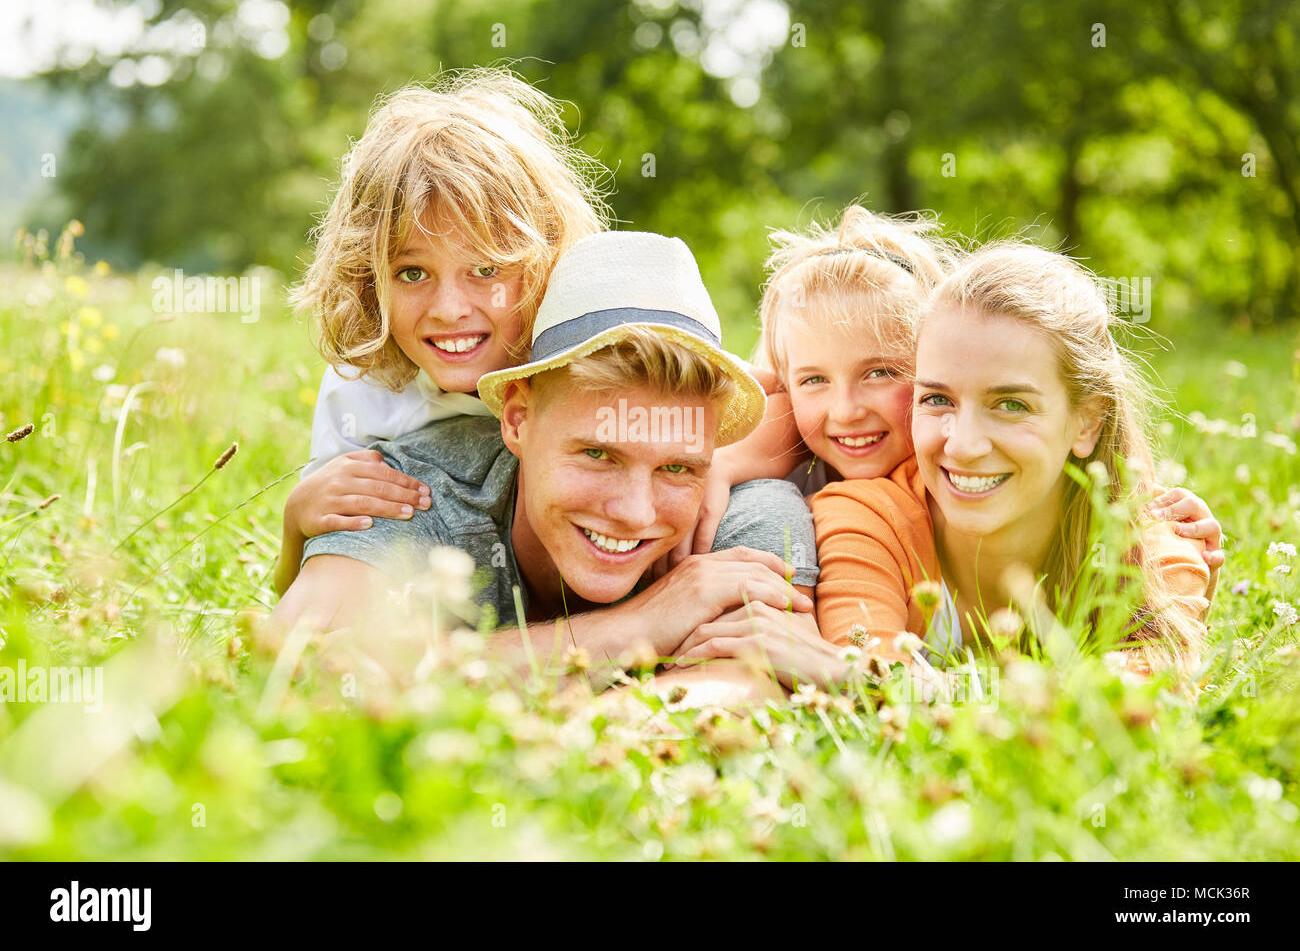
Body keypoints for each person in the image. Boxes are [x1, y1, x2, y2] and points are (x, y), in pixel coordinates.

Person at [269, 231, 822, 701]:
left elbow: (750, 687)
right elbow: (307, 663)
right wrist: (636, 627)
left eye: (678, 469)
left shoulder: (748, 521)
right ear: (516, 421)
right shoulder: (405, 488)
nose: (634, 511)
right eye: (598, 454)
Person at [674, 242, 1215, 685]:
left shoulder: (1153, 534)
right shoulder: (860, 514)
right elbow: (870, 667)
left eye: (1011, 404)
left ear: (1086, 423)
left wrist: (852, 678)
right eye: (937, 399)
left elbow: (1152, 689)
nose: (963, 445)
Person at [273, 68, 610, 596]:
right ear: (370, 277)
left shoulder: (588, 352)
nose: (449, 310)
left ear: (544, 262)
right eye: (412, 273)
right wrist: (297, 522)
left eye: (486, 270)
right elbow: (314, 585)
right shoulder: (364, 388)